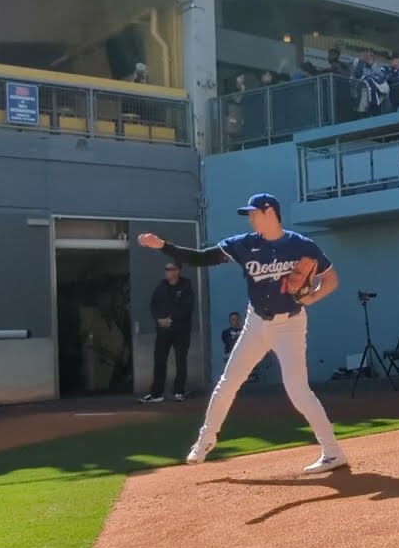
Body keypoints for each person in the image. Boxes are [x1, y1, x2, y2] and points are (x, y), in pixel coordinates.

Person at [136, 193, 347, 473]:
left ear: (270, 212)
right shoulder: (244, 245)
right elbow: (201, 258)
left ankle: (333, 452)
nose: (250, 218)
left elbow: (331, 280)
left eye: (253, 213)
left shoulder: (301, 245)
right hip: (256, 322)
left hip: (291, 325)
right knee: (228, 381)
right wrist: (163, 246)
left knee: (297, 389)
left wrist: (312, 297)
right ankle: (205, 440)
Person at [140, 262, 194, 403]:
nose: (167, 272)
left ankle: (179, 391)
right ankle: (156, 393)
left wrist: (172, 320)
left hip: (181, 331)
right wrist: (159, 319)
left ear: (178, 271)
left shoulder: (186, 287)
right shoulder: (161, 287)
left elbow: (187, 307)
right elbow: (153, 305)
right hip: (163, 331)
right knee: (159, 361)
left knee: (180, 361)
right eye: (166, 269)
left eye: (170, 269)